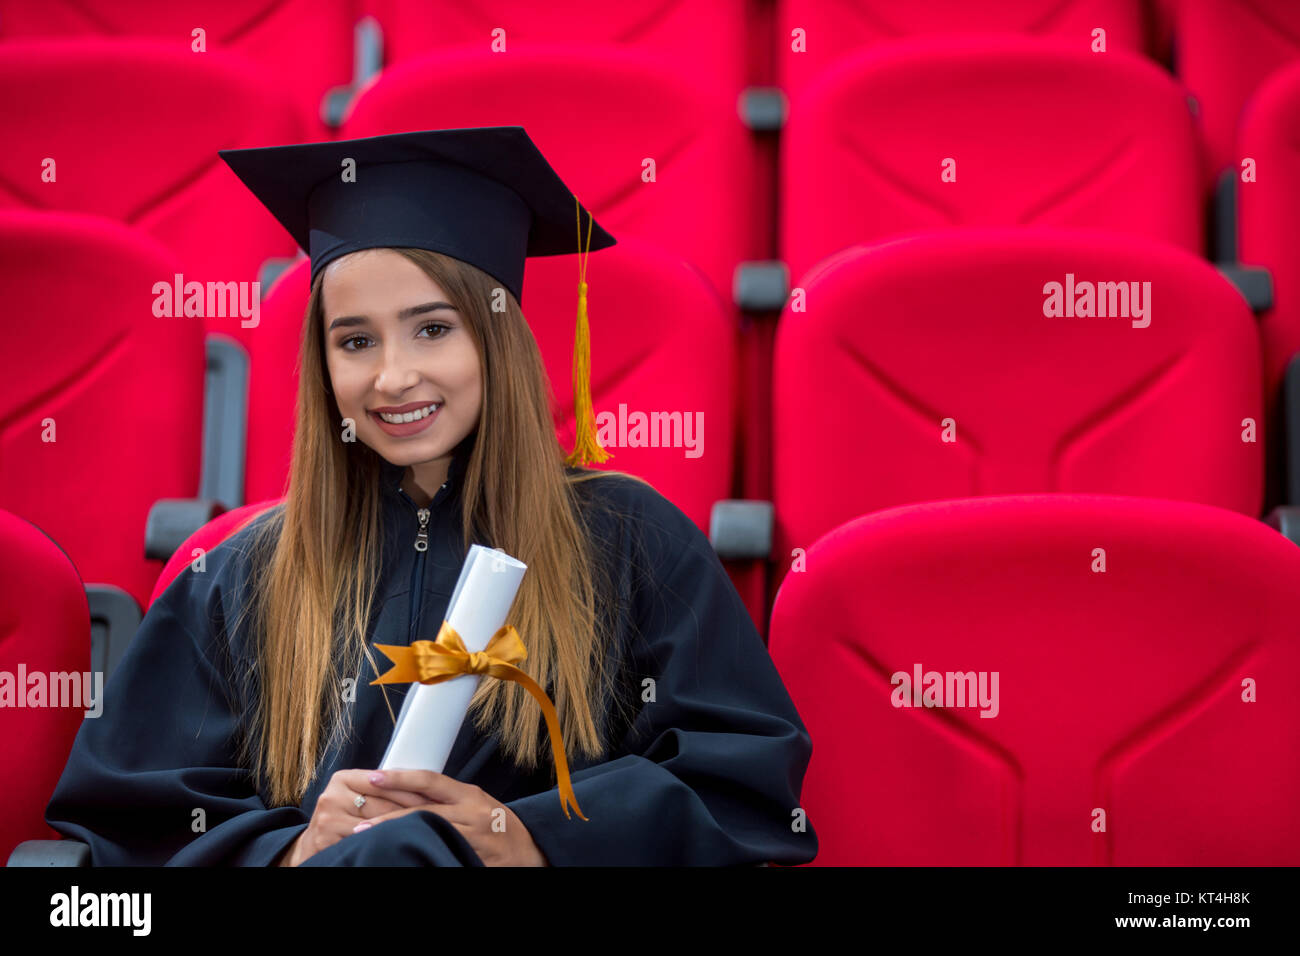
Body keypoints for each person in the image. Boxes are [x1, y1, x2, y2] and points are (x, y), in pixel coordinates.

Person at [44, 127, 818, 866]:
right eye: (355, 341)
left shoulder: (632, 540)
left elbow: (737, 786)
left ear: (498, 339)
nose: (392, 376)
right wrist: (292, 850)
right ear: (322, 365)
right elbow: (131, 819)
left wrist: (530, 837)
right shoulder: (241, 577)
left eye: (431, 329)